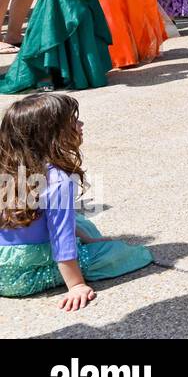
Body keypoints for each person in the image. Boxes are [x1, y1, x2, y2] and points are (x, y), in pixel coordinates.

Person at [0, 93, 153, 305]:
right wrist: (76, 285)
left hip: (3, 265)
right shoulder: (57, 179)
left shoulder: (7, 168)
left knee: (80, 223)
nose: (81, 124)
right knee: (123, 254)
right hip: (23, 277)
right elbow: (61, 234)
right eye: (73, 121)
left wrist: (87, 239)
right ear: (51, 134)